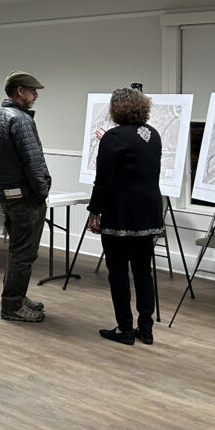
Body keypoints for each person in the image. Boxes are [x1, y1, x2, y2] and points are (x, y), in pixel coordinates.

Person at [87, 87, 163, 346]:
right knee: (143, 271)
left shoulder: (113, 137)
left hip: (120, 212)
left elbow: (104, 180)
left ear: (116, 109)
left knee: (118, 272)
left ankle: (125, 329)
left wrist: (94, 211)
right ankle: (146, 329)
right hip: (149, 213)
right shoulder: (153, 135)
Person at [0, 71, 51, 323]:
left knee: (17, 250)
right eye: (33, 91)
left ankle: (16, 297)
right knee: (24, 252)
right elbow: (33, 161)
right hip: (25, 197)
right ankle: (12, 304)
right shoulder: (21, 119)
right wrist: (42, 190)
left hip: (8, 196)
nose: (36, 95)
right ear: (20, 91)